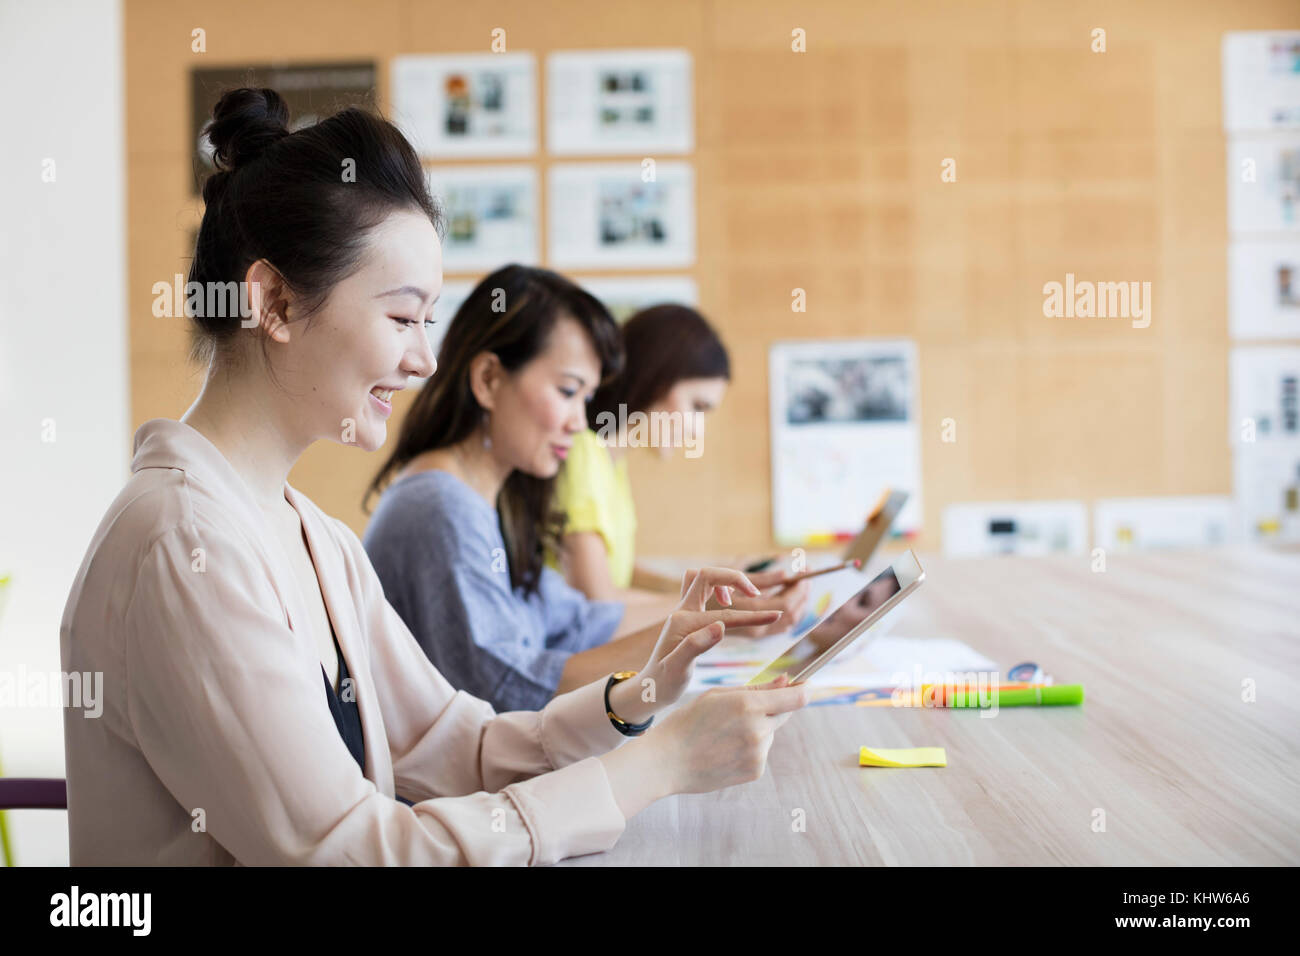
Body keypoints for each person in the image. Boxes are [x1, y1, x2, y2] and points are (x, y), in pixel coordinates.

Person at [59, 88, 808, 867]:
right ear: (274, 301)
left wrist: (640, 696)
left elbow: (459, 743)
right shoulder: (181, 548)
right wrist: (654, 768)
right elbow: (347, 854)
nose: (424, 361)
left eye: (429, 322)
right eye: (402, 318)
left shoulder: (318, 539)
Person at [363, 267, 797, 713]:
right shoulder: (441, 508)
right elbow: (507, 690)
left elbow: (579, 619)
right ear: (490, 379)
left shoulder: (488, 501)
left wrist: (721, 612)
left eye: (586, 399)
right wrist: (709, 625)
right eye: (567, 391)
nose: (578, 421)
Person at [549, 304, 810, 625]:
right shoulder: (581, 455)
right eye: (696, 406)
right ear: (656, 378)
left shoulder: (609, 464)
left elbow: (615, 571)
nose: (695, 429)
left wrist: (703, 587)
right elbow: (599, 601)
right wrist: (711, 607)